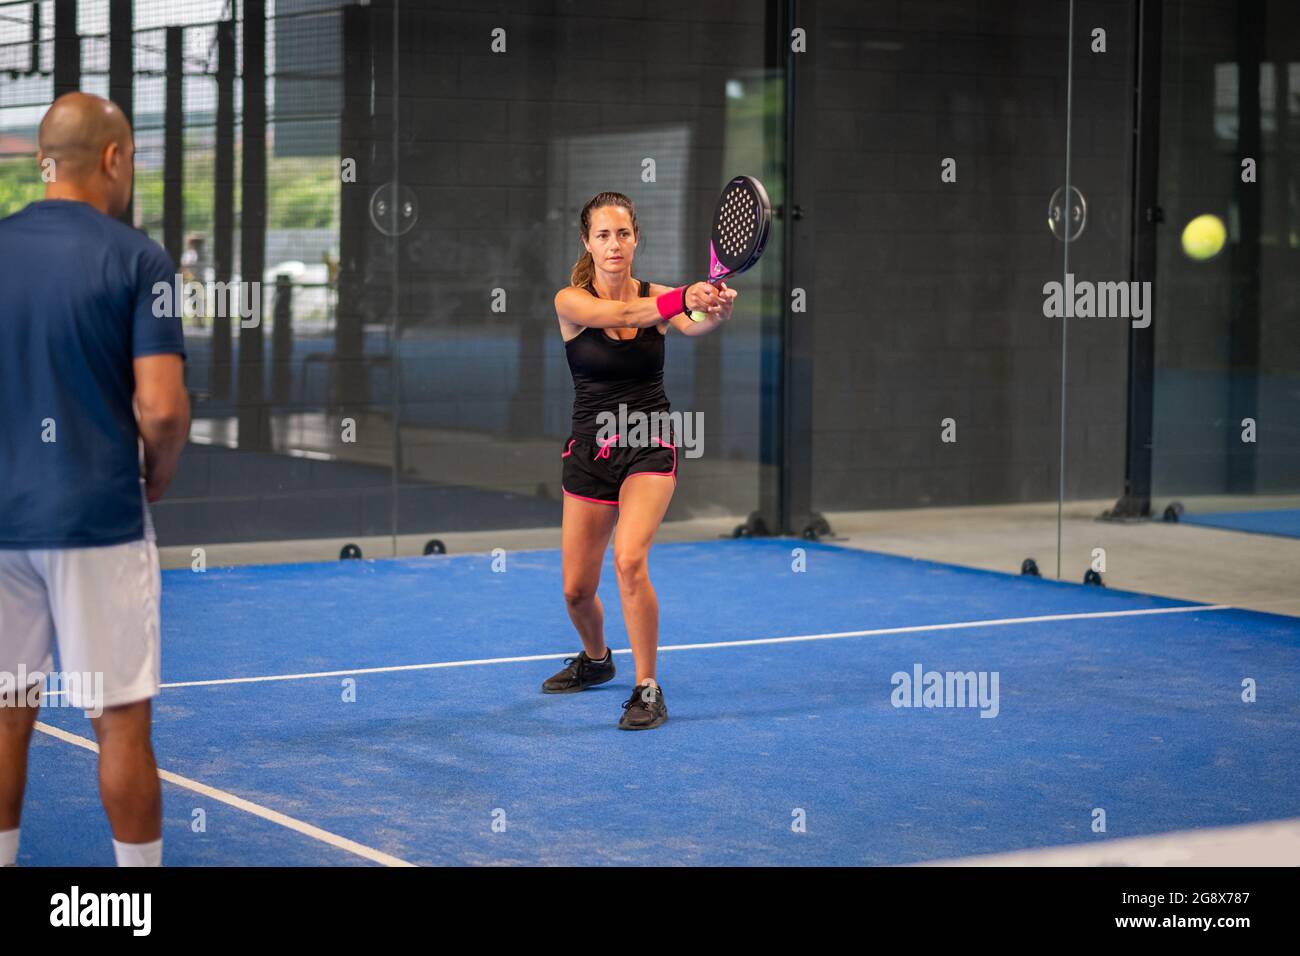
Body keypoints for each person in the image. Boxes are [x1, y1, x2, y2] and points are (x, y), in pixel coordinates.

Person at [0, 92, 189, 866]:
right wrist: (158, 472)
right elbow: (163, 408)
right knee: (118, 721)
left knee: (7, 713)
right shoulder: (138, 258)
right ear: (112, 158)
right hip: (97, 521)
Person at [544, 191, 735, 730]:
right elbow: (628, 312)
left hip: (651, 441)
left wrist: (714, 308)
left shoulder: (661, 296)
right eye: (603, 235)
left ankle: (647, 688)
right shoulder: (570, 301)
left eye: (623, 233)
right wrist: (683, 299)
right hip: (590, 450)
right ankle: (597, 660)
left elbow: (694, 322)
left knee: (629, 559)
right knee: (577, 591)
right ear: (587, 241)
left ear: (635, 239)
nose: (614, 244)